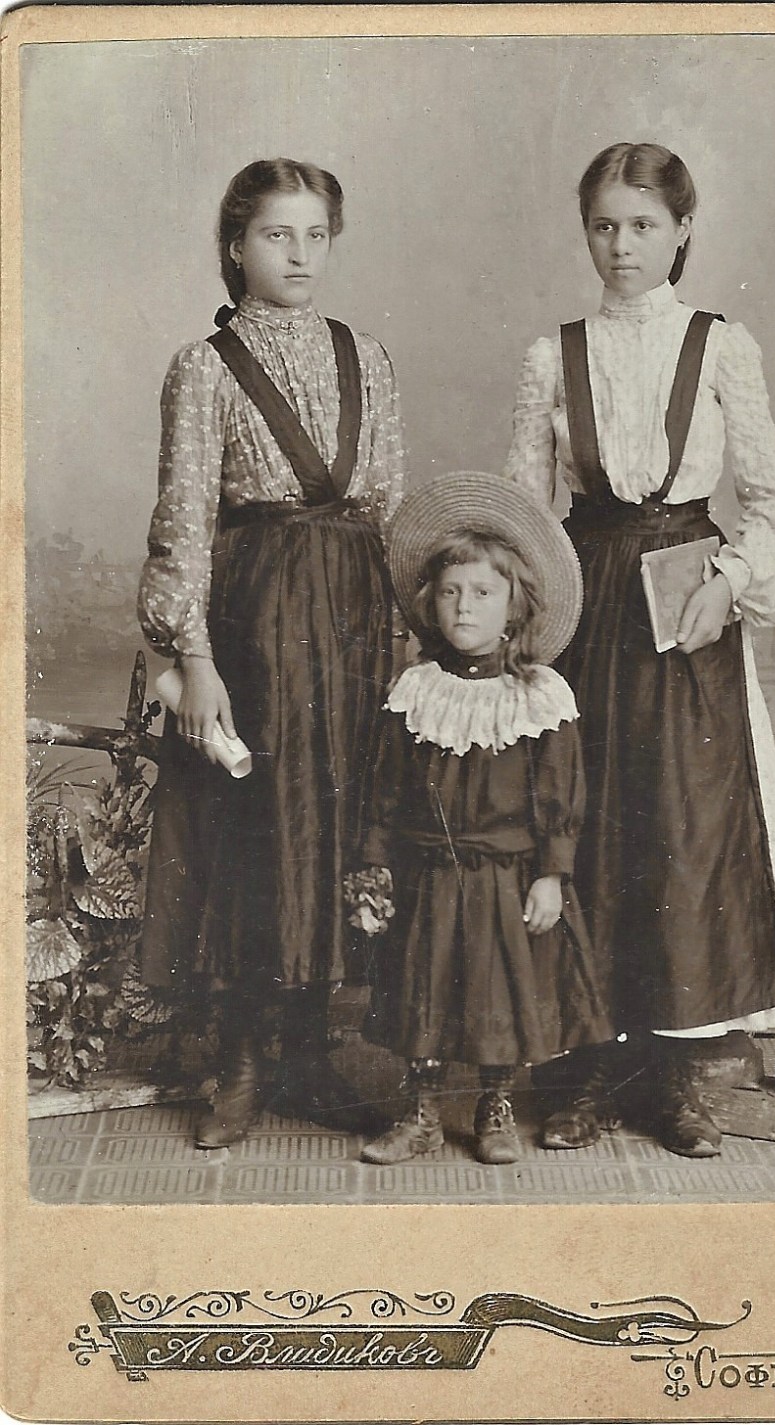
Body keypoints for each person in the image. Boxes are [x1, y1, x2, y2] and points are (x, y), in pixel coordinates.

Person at [504, 141, 775, 1158]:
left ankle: (685, 1080)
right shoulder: (547, 357)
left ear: (682, 230)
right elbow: (521, 510)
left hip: (686, 607)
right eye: (604, 225)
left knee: (686, 832)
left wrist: (730, 581)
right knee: (588, 825)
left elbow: (772, 496)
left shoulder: (720, 346)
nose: (620, 245)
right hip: (582, 604)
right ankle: (590, 1069)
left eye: (642, 225)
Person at [138, 158, 406, 1148]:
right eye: (275, 236)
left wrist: (402, 634)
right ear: (236, 247)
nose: (297, 254)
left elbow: (384, 503)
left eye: (315, 236)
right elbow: (183, 525)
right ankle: (244, 1063)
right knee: (258, 829)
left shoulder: (364, 356)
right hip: (251, 626)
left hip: (352, 616)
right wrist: (195, 658)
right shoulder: (203, 368)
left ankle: (313, 1052)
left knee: (340, 829)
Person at [351, 472, 612, 1166]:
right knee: (422, 990)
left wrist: (552, 875)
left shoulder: (539, 696)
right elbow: (384, 787)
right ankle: (422, 1109)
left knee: (501, 991)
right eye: (450, 592)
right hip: (429, 870)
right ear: (431, 602)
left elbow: (561, 796)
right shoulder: (414, 691)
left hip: (505, 871)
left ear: (513, 605)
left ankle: (496, 1103)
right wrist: (375, 866)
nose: (464, 608)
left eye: (483, 594)